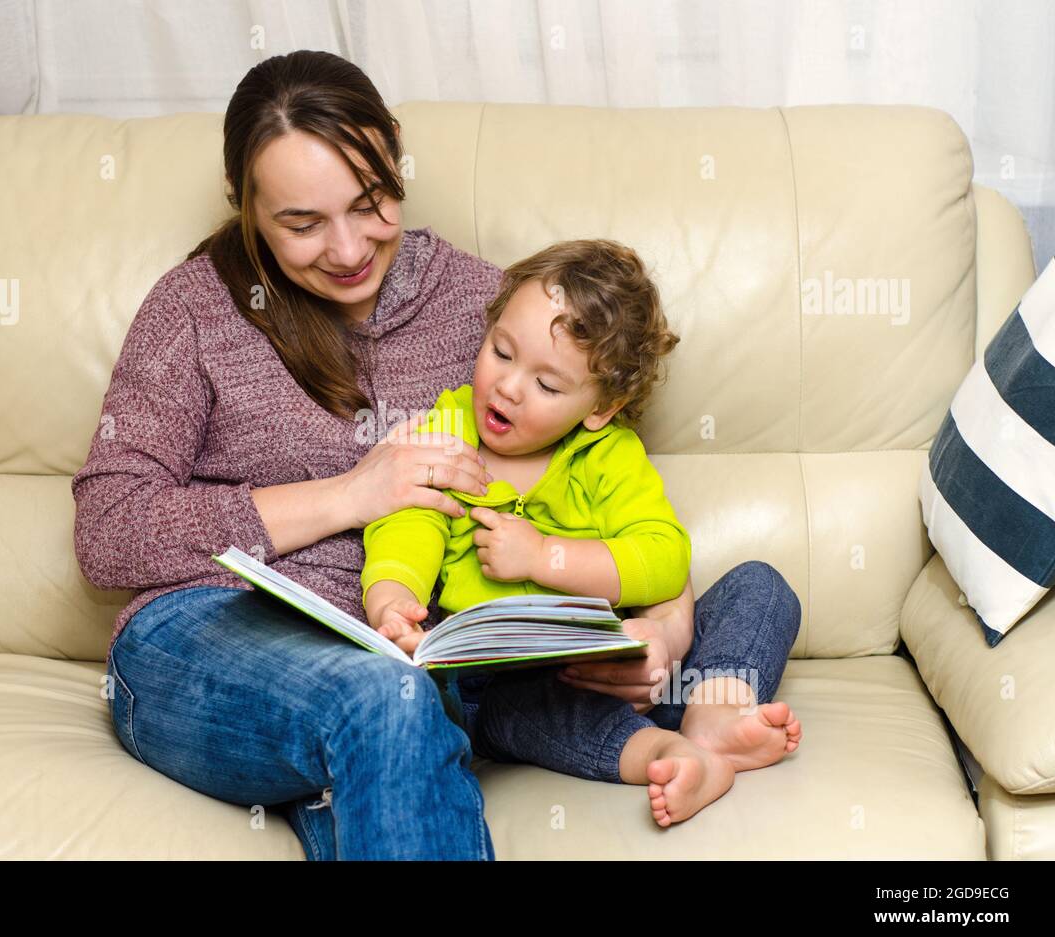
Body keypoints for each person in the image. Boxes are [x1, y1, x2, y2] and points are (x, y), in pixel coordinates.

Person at [72, 49, 799, 859]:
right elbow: (108, 531)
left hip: (415, 675)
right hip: (204, 637)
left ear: (394, 151)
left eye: (370, 201)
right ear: (244, 206)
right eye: (301, 223)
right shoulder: (195, 309)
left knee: (399, 709)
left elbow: (606, 487)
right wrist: (352, 493)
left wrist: (664, 625)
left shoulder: (485, 311)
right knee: (385, 697)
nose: (348, 249)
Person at [362, 239, 802, 826]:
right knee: (518, 708)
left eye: (547, 385)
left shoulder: (608, 453)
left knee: (762, 585)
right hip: (507, 686)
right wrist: (392, 598)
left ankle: (714, 714)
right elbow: (407, 523)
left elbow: (663, 557)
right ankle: (667, 755)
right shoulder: (450, 427)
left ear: (599, 406)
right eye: (500, 352)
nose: (509, 387)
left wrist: (546, 557)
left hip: (629, 669)